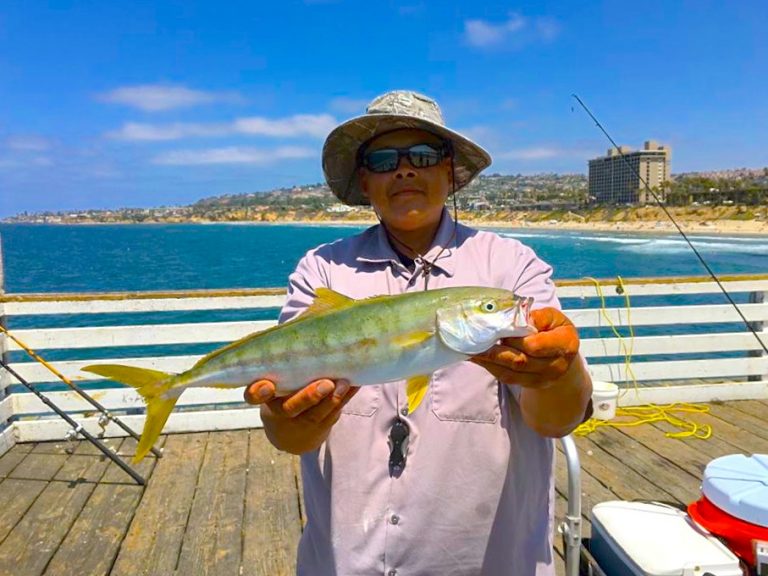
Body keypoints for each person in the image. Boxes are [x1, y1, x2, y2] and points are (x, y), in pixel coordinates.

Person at [244, 90, 593, 575]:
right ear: (365, 180)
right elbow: (288, 434)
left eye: (424, 156)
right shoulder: (322, 271)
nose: (405, 170)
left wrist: (557, 371)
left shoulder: (511, 268)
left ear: (449, 171)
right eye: (385, 159)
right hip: (348, 558)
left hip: (485, 560)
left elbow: (556, 420)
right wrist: (289, 420)